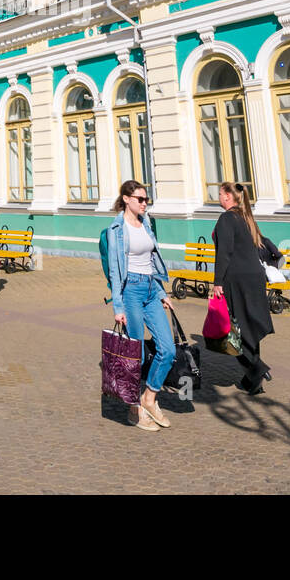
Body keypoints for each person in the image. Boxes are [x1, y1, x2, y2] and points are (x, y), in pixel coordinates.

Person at [106, 179, 177, 432]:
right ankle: (133, 409)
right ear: (127, 199)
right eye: (141, 199)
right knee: (135, 355)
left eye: (147, 199)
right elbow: (115, 271)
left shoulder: (146, 224)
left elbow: (151, 261)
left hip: (150, 289)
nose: (145, 203)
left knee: (168, 349)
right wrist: (118, 306)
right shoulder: (116, 229)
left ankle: (150, 397)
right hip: (131, 292)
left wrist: (161, 292)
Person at [213, 181, 274, 395]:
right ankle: (252, 382)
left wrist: (217, 282)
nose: (218, 197)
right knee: (248, 328)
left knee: (230, 331)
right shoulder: (246, 217)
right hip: (254, 278)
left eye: (220, 193)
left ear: (228, 196)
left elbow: (224, 253)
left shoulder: (227, 218)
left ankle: (257, 368)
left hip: (235, 279)